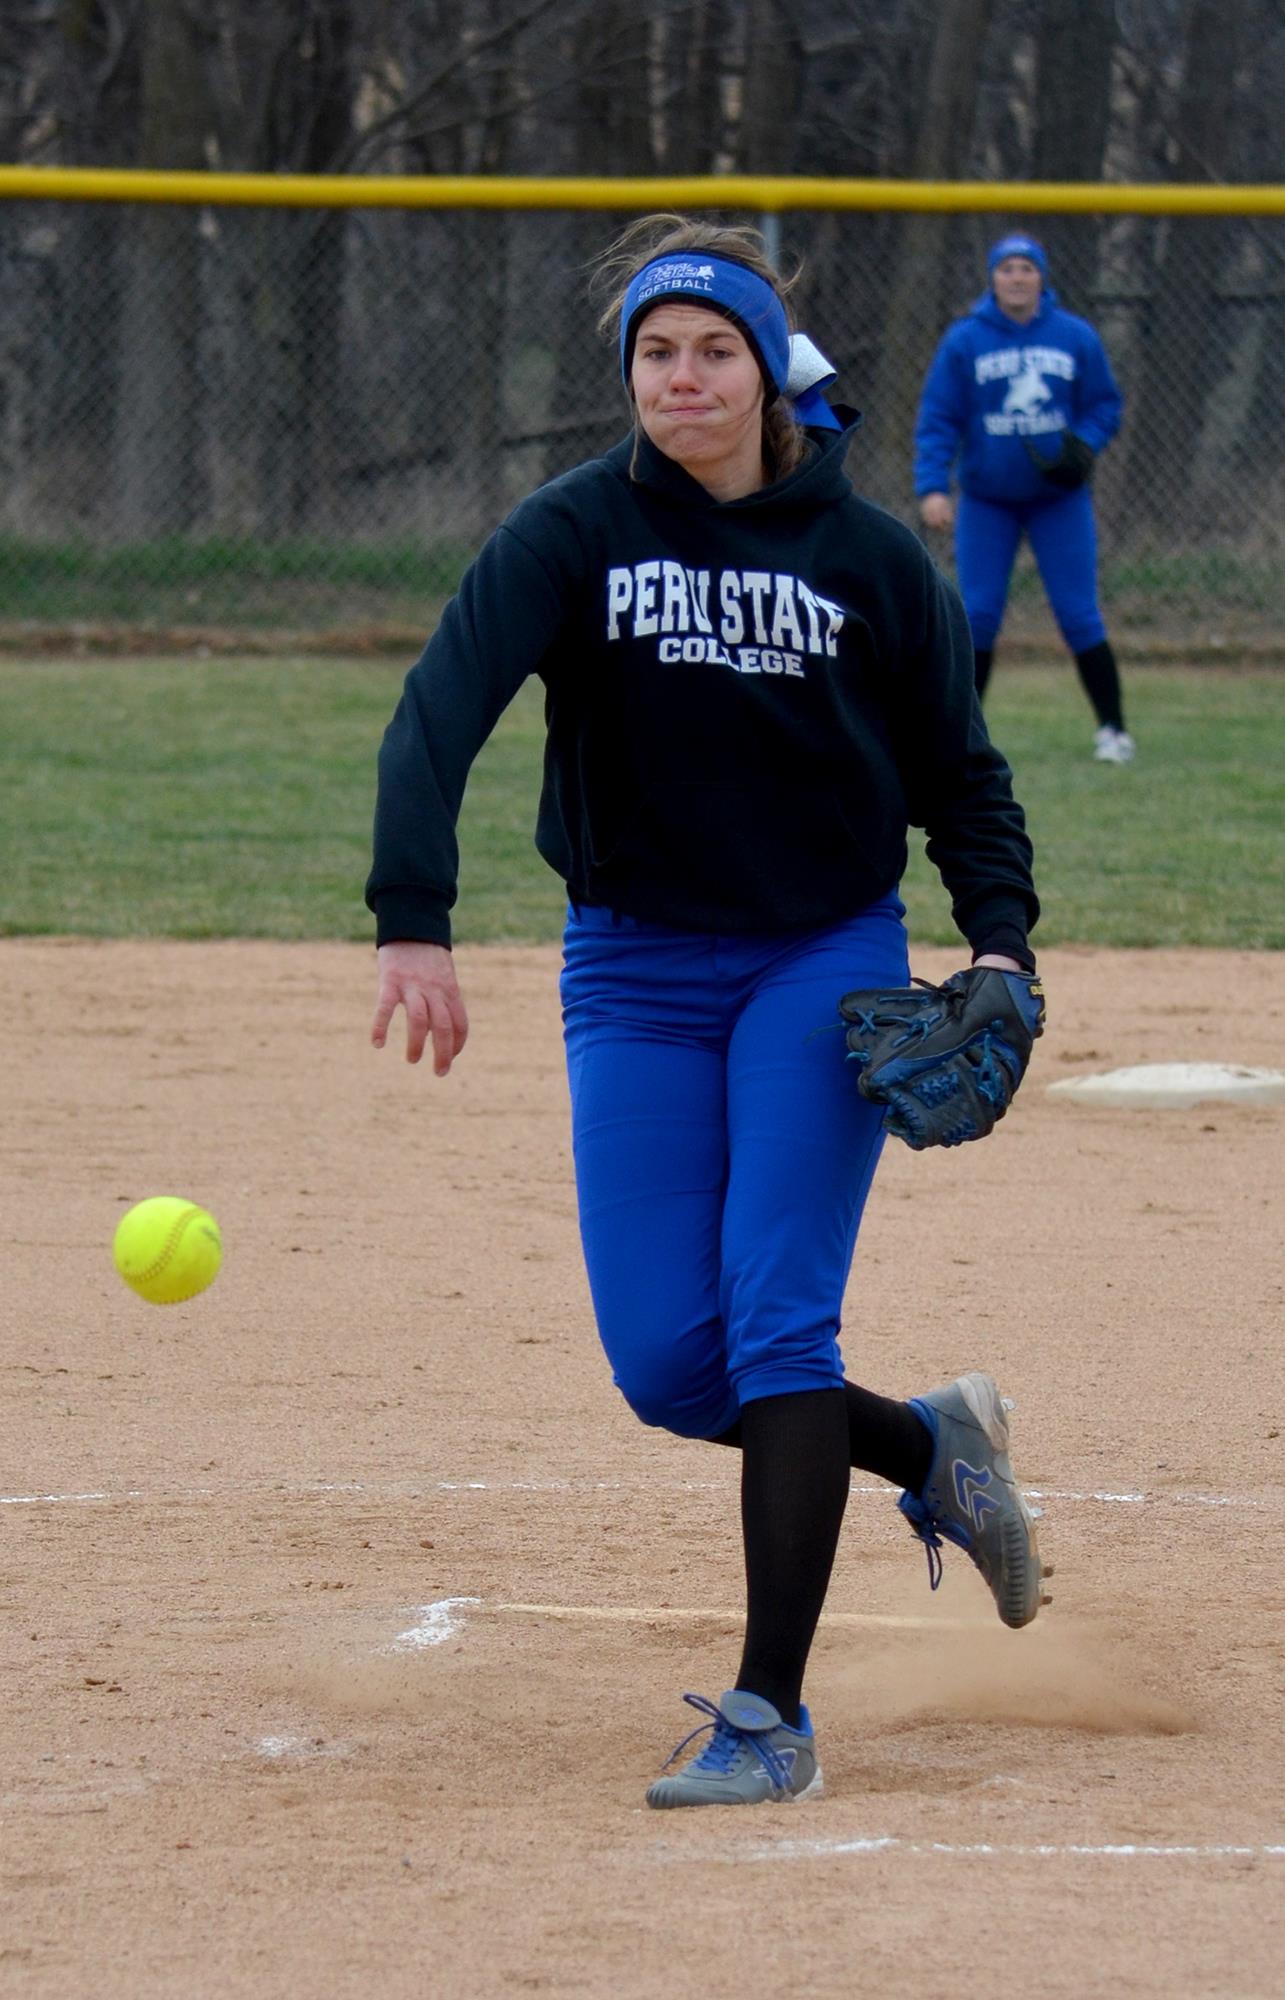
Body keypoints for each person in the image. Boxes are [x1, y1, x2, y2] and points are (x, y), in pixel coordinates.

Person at [366, 214, 1049, 1812]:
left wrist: (1002, 945)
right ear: (632, 377)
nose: (681, 379)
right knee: (676, 1369)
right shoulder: (572, 530)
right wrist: (415, 919)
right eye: (654, 354)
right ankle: (929, 1448)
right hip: (632, 972)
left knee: (775, 1320)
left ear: (766, 374)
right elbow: (436, 712)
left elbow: (960, 773)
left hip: (821, 956)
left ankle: (769, 1716)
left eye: (712, 351)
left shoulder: (870, 558)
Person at [914, 230, 1135, 764]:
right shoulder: (966, 340)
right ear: (993, 278)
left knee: (1079, 613)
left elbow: (1105, 405)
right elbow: (939, 417)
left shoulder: (1074, 336)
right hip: (988, 500)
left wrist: (1083, 443)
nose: (1017, 277)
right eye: (1007, 268)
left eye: (1027, 268)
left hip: (1059, 499)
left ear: (1042, 277)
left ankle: (1113, 730)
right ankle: (963, 736)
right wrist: (932, 486)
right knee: (980, 613)